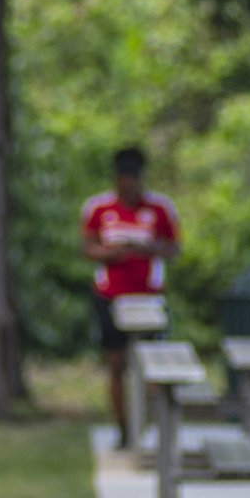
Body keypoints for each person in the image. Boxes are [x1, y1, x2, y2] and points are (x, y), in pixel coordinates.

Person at [81, 147, 181, 447]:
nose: (128, 184)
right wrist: (112, 253)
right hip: (110, 297)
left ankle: (148, 424)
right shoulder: (99, 208)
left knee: (152, 366)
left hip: (148, 299)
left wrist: (149, 249)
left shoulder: (160, 208)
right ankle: (123, 427)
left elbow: (174, 248)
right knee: (116, 364)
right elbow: (87, 247)